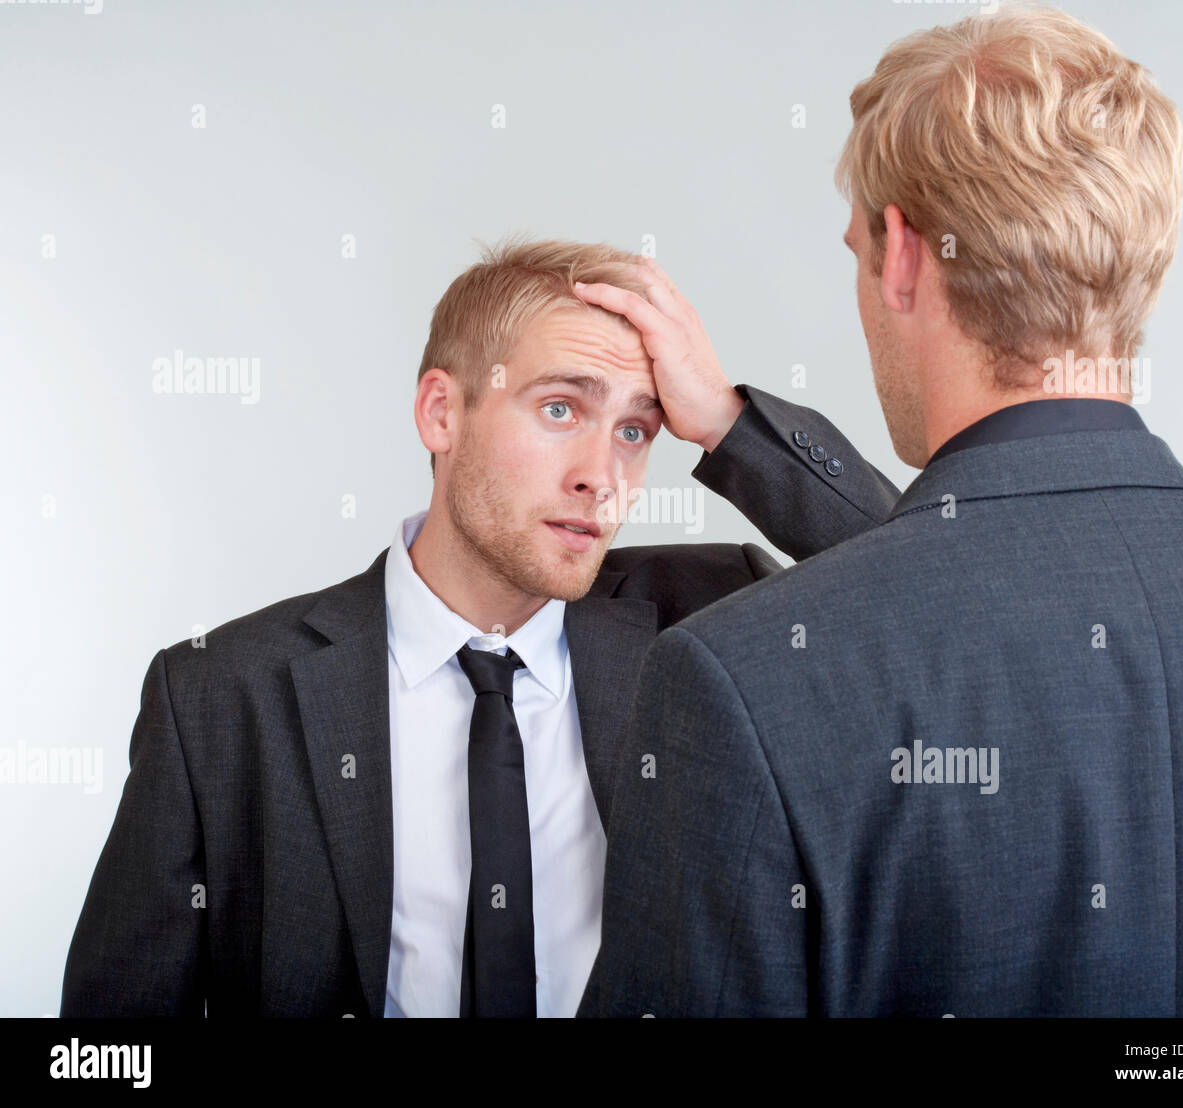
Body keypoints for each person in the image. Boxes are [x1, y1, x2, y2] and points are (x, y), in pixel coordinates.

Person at [581, 6, 1183, 1016]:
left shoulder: (734, 682)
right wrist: (737, 431)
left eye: (857, 253)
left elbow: (935, 610)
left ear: (906, 256)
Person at [60, 237, 900, 1017]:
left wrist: (723, 417)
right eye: (563, 409)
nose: (601, 480)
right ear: (441, 413)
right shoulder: (219, 695)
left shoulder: (698, 624)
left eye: (635, 430)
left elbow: (924, 579)